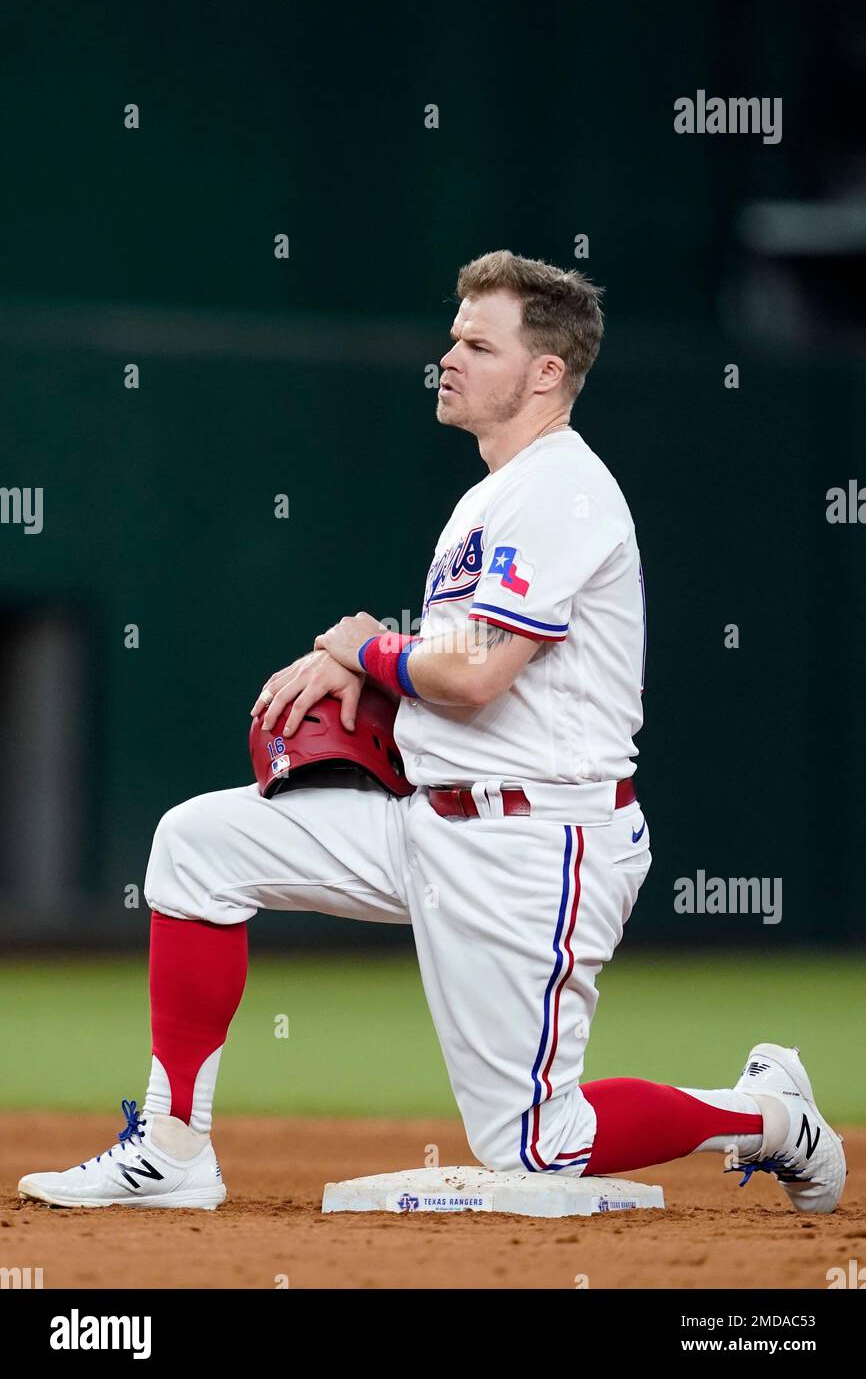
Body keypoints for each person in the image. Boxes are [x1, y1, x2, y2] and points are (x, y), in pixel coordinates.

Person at [18, 251, 845, 1214]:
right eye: (453, 335)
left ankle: (772, 1115)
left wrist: (366, 650)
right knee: (198, 845)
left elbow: (478, 673)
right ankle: (172, 1147)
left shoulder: (563, 491)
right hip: (434, 825)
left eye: (477, 342)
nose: (447, 355)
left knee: (538, 1148)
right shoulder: (491, 496)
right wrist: (364, 657)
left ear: (545, 372)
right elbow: (460, 654)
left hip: (539, 843)